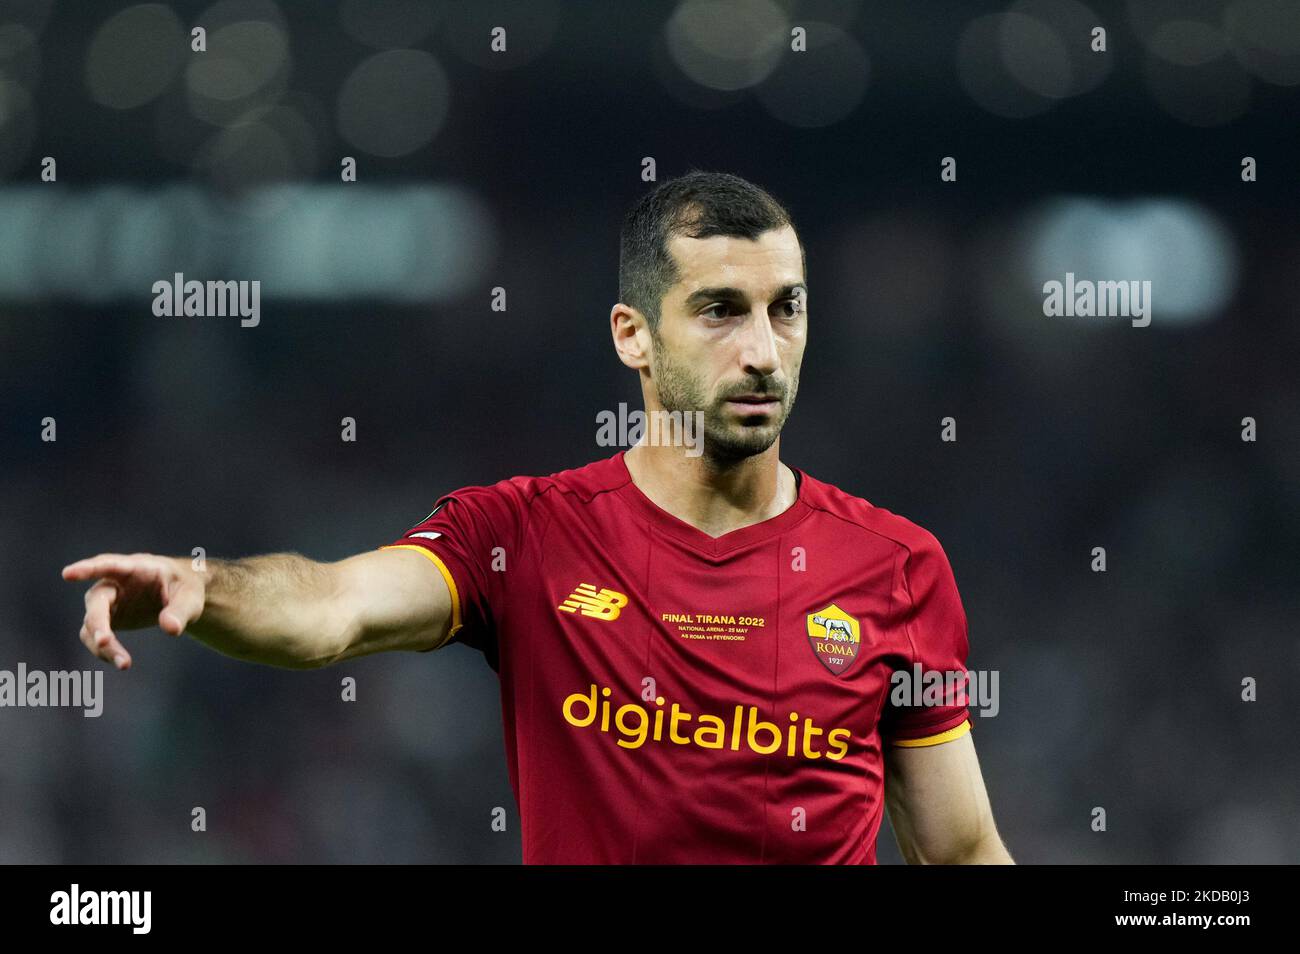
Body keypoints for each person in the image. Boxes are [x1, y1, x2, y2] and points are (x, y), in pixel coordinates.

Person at [63, 170, 1012, 865]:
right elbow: (331, 608)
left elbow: (962, 849)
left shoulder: (899, 569)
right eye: (721, 311)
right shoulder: (521, 536)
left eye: (786, 309)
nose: (764, 350)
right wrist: (208, 585)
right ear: (634, 336)